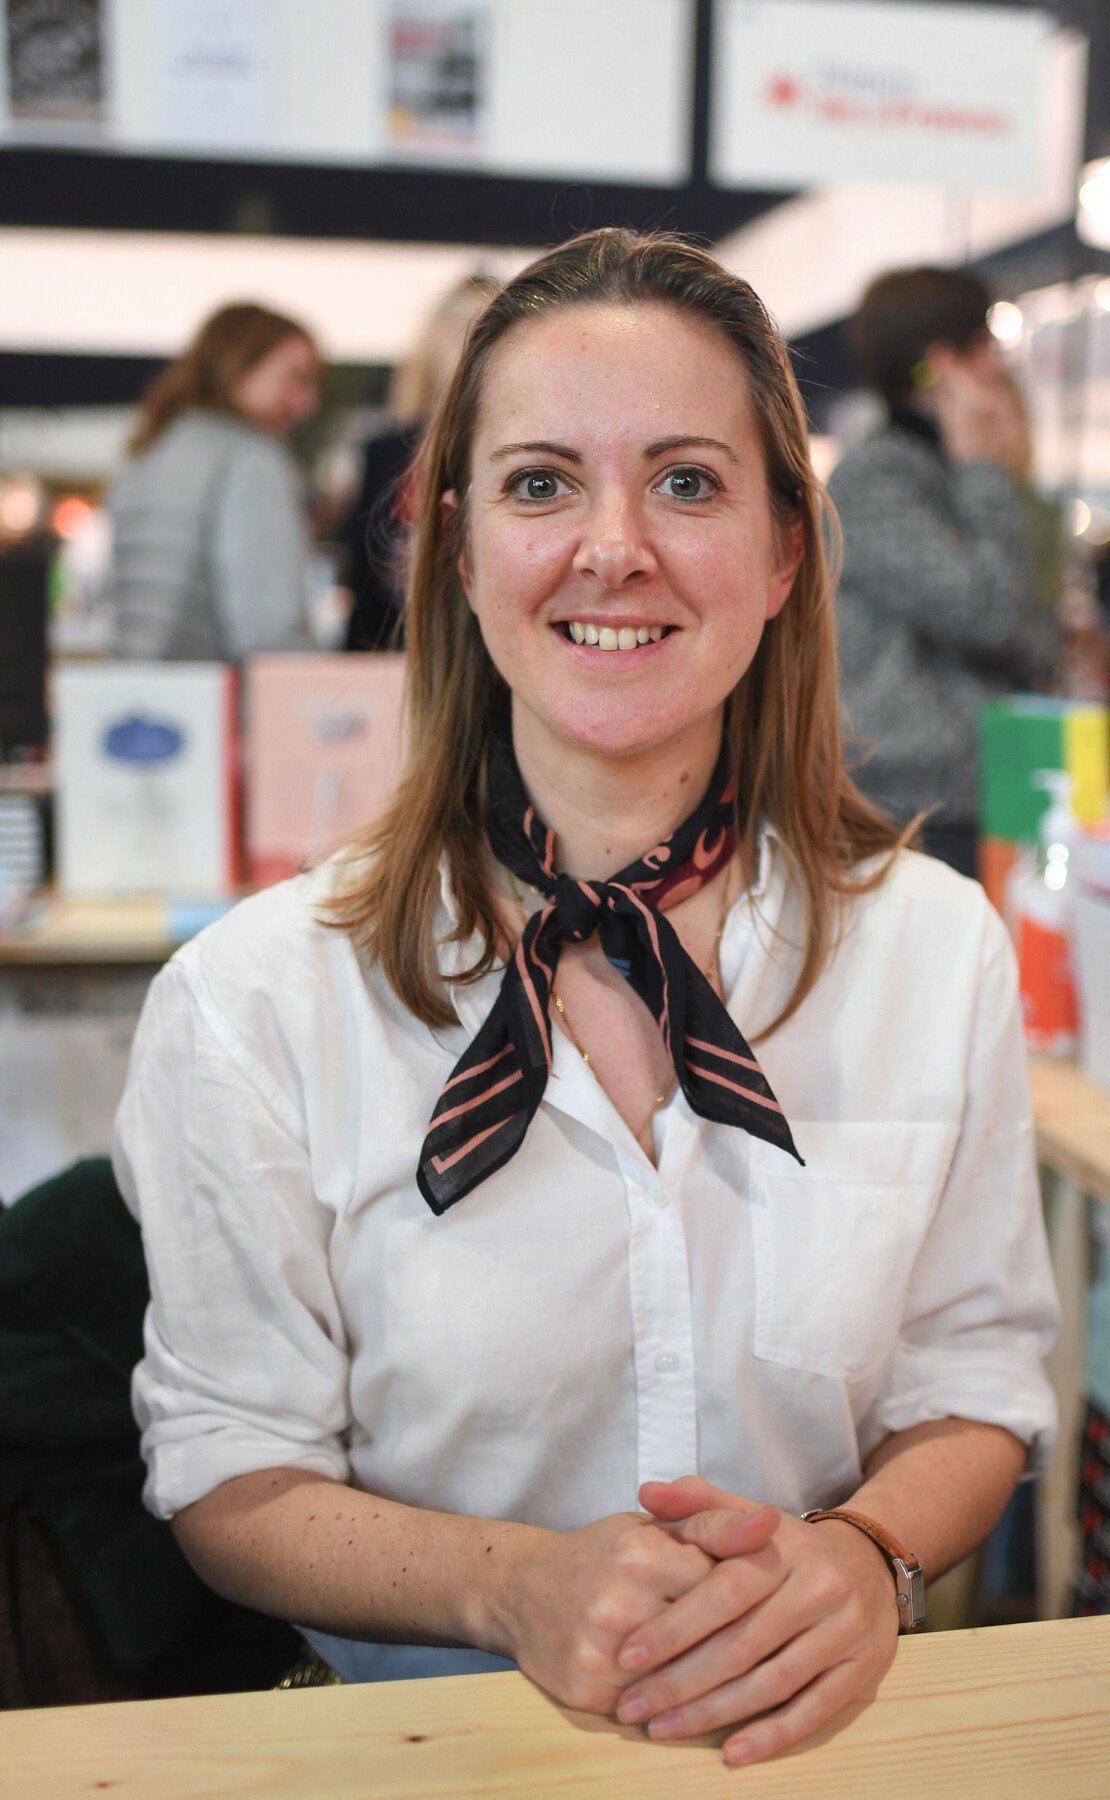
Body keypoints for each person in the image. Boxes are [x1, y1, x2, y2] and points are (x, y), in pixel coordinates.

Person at [113, 230, 1058, 1769]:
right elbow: (231, 1476)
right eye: (543, 483)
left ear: (784, 552)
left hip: (822, 1757)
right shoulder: (253, 998)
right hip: (423, 1761)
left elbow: (975, 1381)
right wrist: (510, 1587)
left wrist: (870, 1554)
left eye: (686, 482)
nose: (613, 547)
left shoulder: (939, 953)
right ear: (458, 547)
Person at [829, 267, 1059, 878]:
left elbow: (1036, 635)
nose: (999, 366)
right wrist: (985, 470)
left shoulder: (936, 471)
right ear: (943, 365)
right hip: (908, 809)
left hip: (969, 795)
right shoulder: (878, 478)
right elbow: (995, 615)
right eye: (986, 345)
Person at [106, 302, 321, 661]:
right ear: (238, 364)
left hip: (140, 684)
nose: (307, 403)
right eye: (296, 377)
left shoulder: (148, 451)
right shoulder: (250, 459)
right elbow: (268, 632)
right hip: (217, 689)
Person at [340, 274, 498, 651]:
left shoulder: (510, 450)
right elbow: (361, 569)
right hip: (387, 647)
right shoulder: (386, 452)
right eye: (459, 338)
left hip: (479, 647)